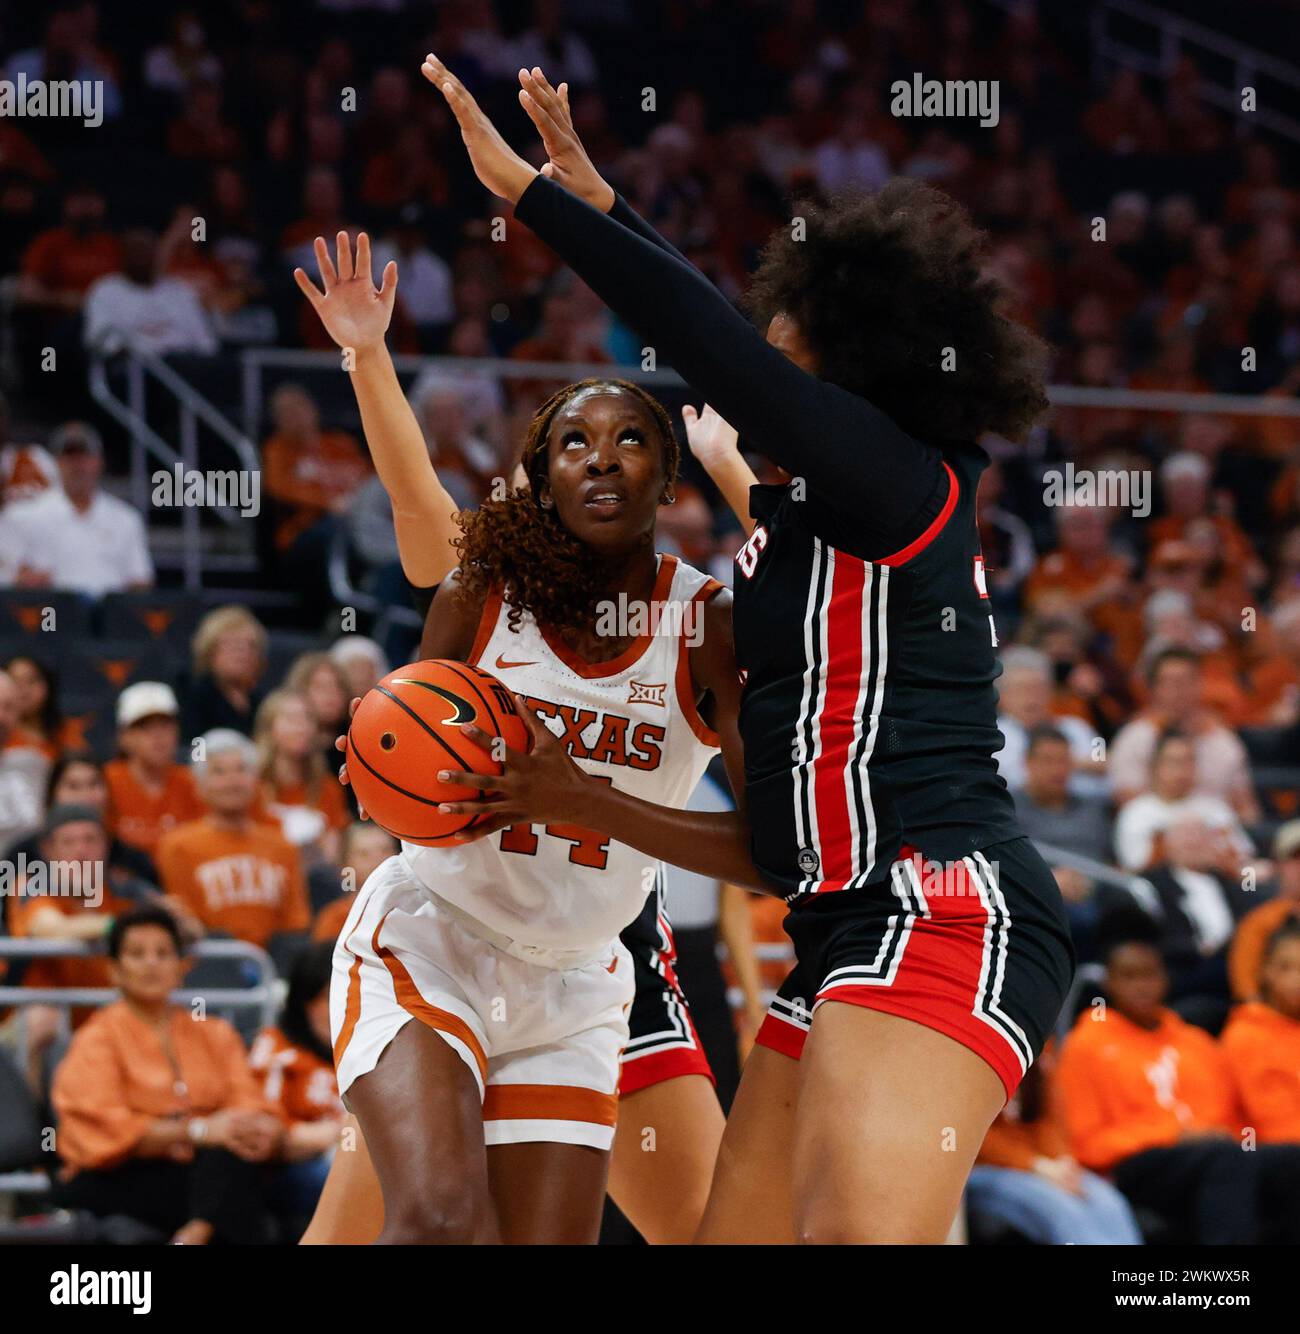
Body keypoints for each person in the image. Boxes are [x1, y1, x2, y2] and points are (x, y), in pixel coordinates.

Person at [422, 57, 1073, 1243]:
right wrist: (615, 205)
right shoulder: (812, 525)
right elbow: (727, 342)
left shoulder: (900, 482)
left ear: (846, 377)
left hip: (938, 906)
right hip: (833, 923)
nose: (756, 390)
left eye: (790, 362)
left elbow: (710, 345)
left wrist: (535, 201)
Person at [293, 232, 744, 1244]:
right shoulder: (484, 585)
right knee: (437, 1220)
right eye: (572, 443)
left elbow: (780, 850)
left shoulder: (707, 626)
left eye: (629, 440)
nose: (600, 459)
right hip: (438, 929)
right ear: (540, 473)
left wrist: (590, 802)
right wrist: (367, 354)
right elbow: (420, 507)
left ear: (665, 476)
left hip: (586, 961)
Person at [1056, 914, 1300, 1244]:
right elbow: (1087, 1144)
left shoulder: (1194, 1041)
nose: (1142, 986)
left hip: (1208, 1156)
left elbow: (1232, 1123)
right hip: (1132, 1164)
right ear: (1109, 983)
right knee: (1227, 1161)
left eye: (1151, 975)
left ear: (1166, 979)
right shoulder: (1086, 1044)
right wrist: (1173, 1134)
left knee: (1287, 1161)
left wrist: (1216, 1136)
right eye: (1129, 977)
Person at [51, 906, 280, 1244]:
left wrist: (237, 1129)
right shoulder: (96, 1039)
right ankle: (199, 1229)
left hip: (201, 1168)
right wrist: (197, 1130)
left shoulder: (213, 1032)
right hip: (119, 1173)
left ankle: (195, 1232)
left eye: (163, 953)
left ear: (181, 967)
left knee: (232, 1162)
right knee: (232, 1188)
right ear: (113, 970)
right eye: (136, 954)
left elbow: (248, 1104)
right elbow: (104, 1133)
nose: (151, 963)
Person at [965, 1049, 1142, 1245]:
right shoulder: (971, 1051)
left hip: (1042, 1164)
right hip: (984, 1168)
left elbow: (1052, 1116)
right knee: (1063, 1209)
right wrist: (1036, 1165)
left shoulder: (1039, 1043)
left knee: (1110, 1203)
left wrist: (1059, 1162)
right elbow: (970, 1134)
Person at [155, 730, 310, 952]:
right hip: (209, 962)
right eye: (219, 772)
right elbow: (186, 925)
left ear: (256, 782)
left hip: (275, 964)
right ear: (198, 786)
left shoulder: (283, 845)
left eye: (241, 770)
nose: (232, 781)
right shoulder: (177, 846)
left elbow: (295, 923)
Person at [249, 941, 345, 1237]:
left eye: (348, 996)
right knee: (344, 1178)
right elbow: (265, 1132)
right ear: (303, 1002)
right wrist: (336, 1134)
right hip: (290, 1171)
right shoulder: (276, 1048)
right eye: (328, 998)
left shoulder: (364, 1052)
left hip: (350, 1158)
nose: (338, 1008)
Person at [0, 422, 153, 595]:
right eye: (70, 456)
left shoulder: (125, 519)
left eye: (85, 456)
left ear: (99, 461)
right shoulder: (24, 517)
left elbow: (140, 580)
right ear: (57, 462)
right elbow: (6, 576)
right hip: (52, 616)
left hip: (109, 616)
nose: (78, 465)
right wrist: (22, 582)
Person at [1109, 648, 1259, 821]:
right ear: (1153, 688)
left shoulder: (1224, 741)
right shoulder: (1133, 738)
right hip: (1157, 831)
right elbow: (1127, 803)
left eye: (1187, 681)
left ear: (1200, 684)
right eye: (1170, 682)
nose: (1179, 690)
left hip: (1215, 831)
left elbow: (1245, 805)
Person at [1113, 729, 1252, 873]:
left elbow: (1243, 861)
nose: (1182, 771)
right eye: (1174, 762)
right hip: (1166, 890)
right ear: (1155, 767)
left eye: (1189, 761)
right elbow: (1136, 867)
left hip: (1218, 887)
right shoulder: (1136, 813)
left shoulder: (1216, 808)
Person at [104, 682, 205, 858]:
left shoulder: (193, 782)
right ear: (124, 737)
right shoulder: (104, 782)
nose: (158, 735)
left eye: (165, 725)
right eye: (145, 727)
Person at [1221, 921, 1300, 1144]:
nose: (1297, 979)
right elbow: (1273, 1125)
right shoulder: (1245, 1035)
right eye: (1285, 967)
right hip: (1267, 1155)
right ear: (1265, 971)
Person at [252, 689, 348, 869]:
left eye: (307, 719)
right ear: (269, 728)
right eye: (291, 719)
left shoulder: (328, 787)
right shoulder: (251, 786)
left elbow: (332, 859)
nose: (301, 727)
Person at [181, 605, 268, 740]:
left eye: (251, 646)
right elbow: (191, 749)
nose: (243, 653)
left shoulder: (263, 704)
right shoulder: (192, 696)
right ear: (209, 652)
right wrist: (209, 759)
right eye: (234, 644)